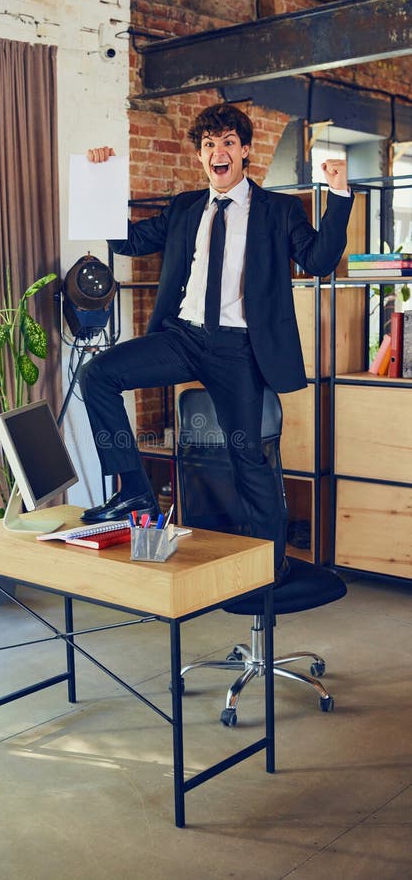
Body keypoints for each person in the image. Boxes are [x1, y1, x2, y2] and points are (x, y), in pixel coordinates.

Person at [79, 103, 353, 582]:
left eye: (227, 142)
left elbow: (319, 259)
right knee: (98, 374)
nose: (217, 152)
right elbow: (125, 241)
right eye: (208, 145)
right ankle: (135, 490)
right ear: (201, 157)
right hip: (183, 337)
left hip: (237, 349)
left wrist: (338, 194)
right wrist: (99, 180)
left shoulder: (278, 210)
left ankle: (270, 564)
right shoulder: (186, 207)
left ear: (245, 151)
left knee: (247, 455)